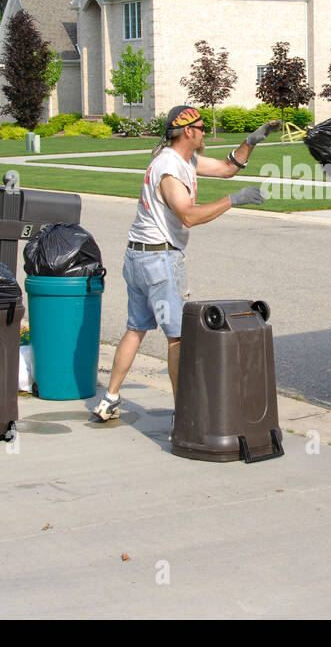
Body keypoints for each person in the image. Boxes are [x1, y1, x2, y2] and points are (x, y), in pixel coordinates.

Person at [94, 105, 279, 422]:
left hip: (141, 257)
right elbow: (189, 216)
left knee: (136, 328)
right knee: (179, 337)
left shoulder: (183, 160)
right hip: (159, 259)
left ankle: (109, 399)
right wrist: (233, 200)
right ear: (188, 131)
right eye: (201, 126)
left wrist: (252, 141)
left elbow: (225, 168)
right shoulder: (169, 169)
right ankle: (185, 414)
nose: (205, 131)